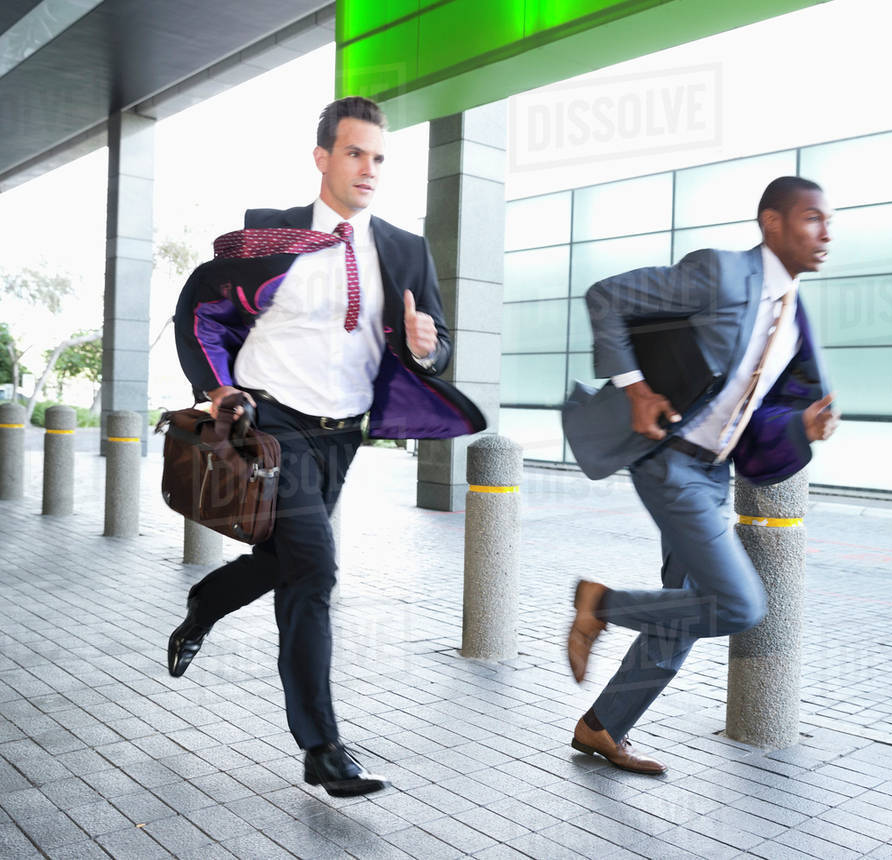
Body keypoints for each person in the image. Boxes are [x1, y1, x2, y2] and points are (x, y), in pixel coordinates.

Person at [169, 96, 484, 797]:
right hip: (271, 427)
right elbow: (200, 306)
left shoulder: (405, 249)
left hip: (344, 435)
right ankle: (323, 747)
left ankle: (208, 602)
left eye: (378, 157)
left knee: (285, 560)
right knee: (313, 572)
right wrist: (217, 388)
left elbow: (435, 339)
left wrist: (430, 348)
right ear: (322, 157)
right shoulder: (266, 236)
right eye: (354, 153)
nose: (368, 168)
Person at [561, 176, 839, 774]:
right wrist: (634, 388)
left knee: (686, 608)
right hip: (669, 460)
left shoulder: (794, 319)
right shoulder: (721, 273)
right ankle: (600, 604)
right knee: (739, 606)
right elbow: (606, 296)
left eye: (828, 221)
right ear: (772, 223)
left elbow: (756, 410)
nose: (826, 233)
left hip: (713, 474)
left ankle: (602, 726)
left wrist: (802, 428)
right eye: (813, 218)